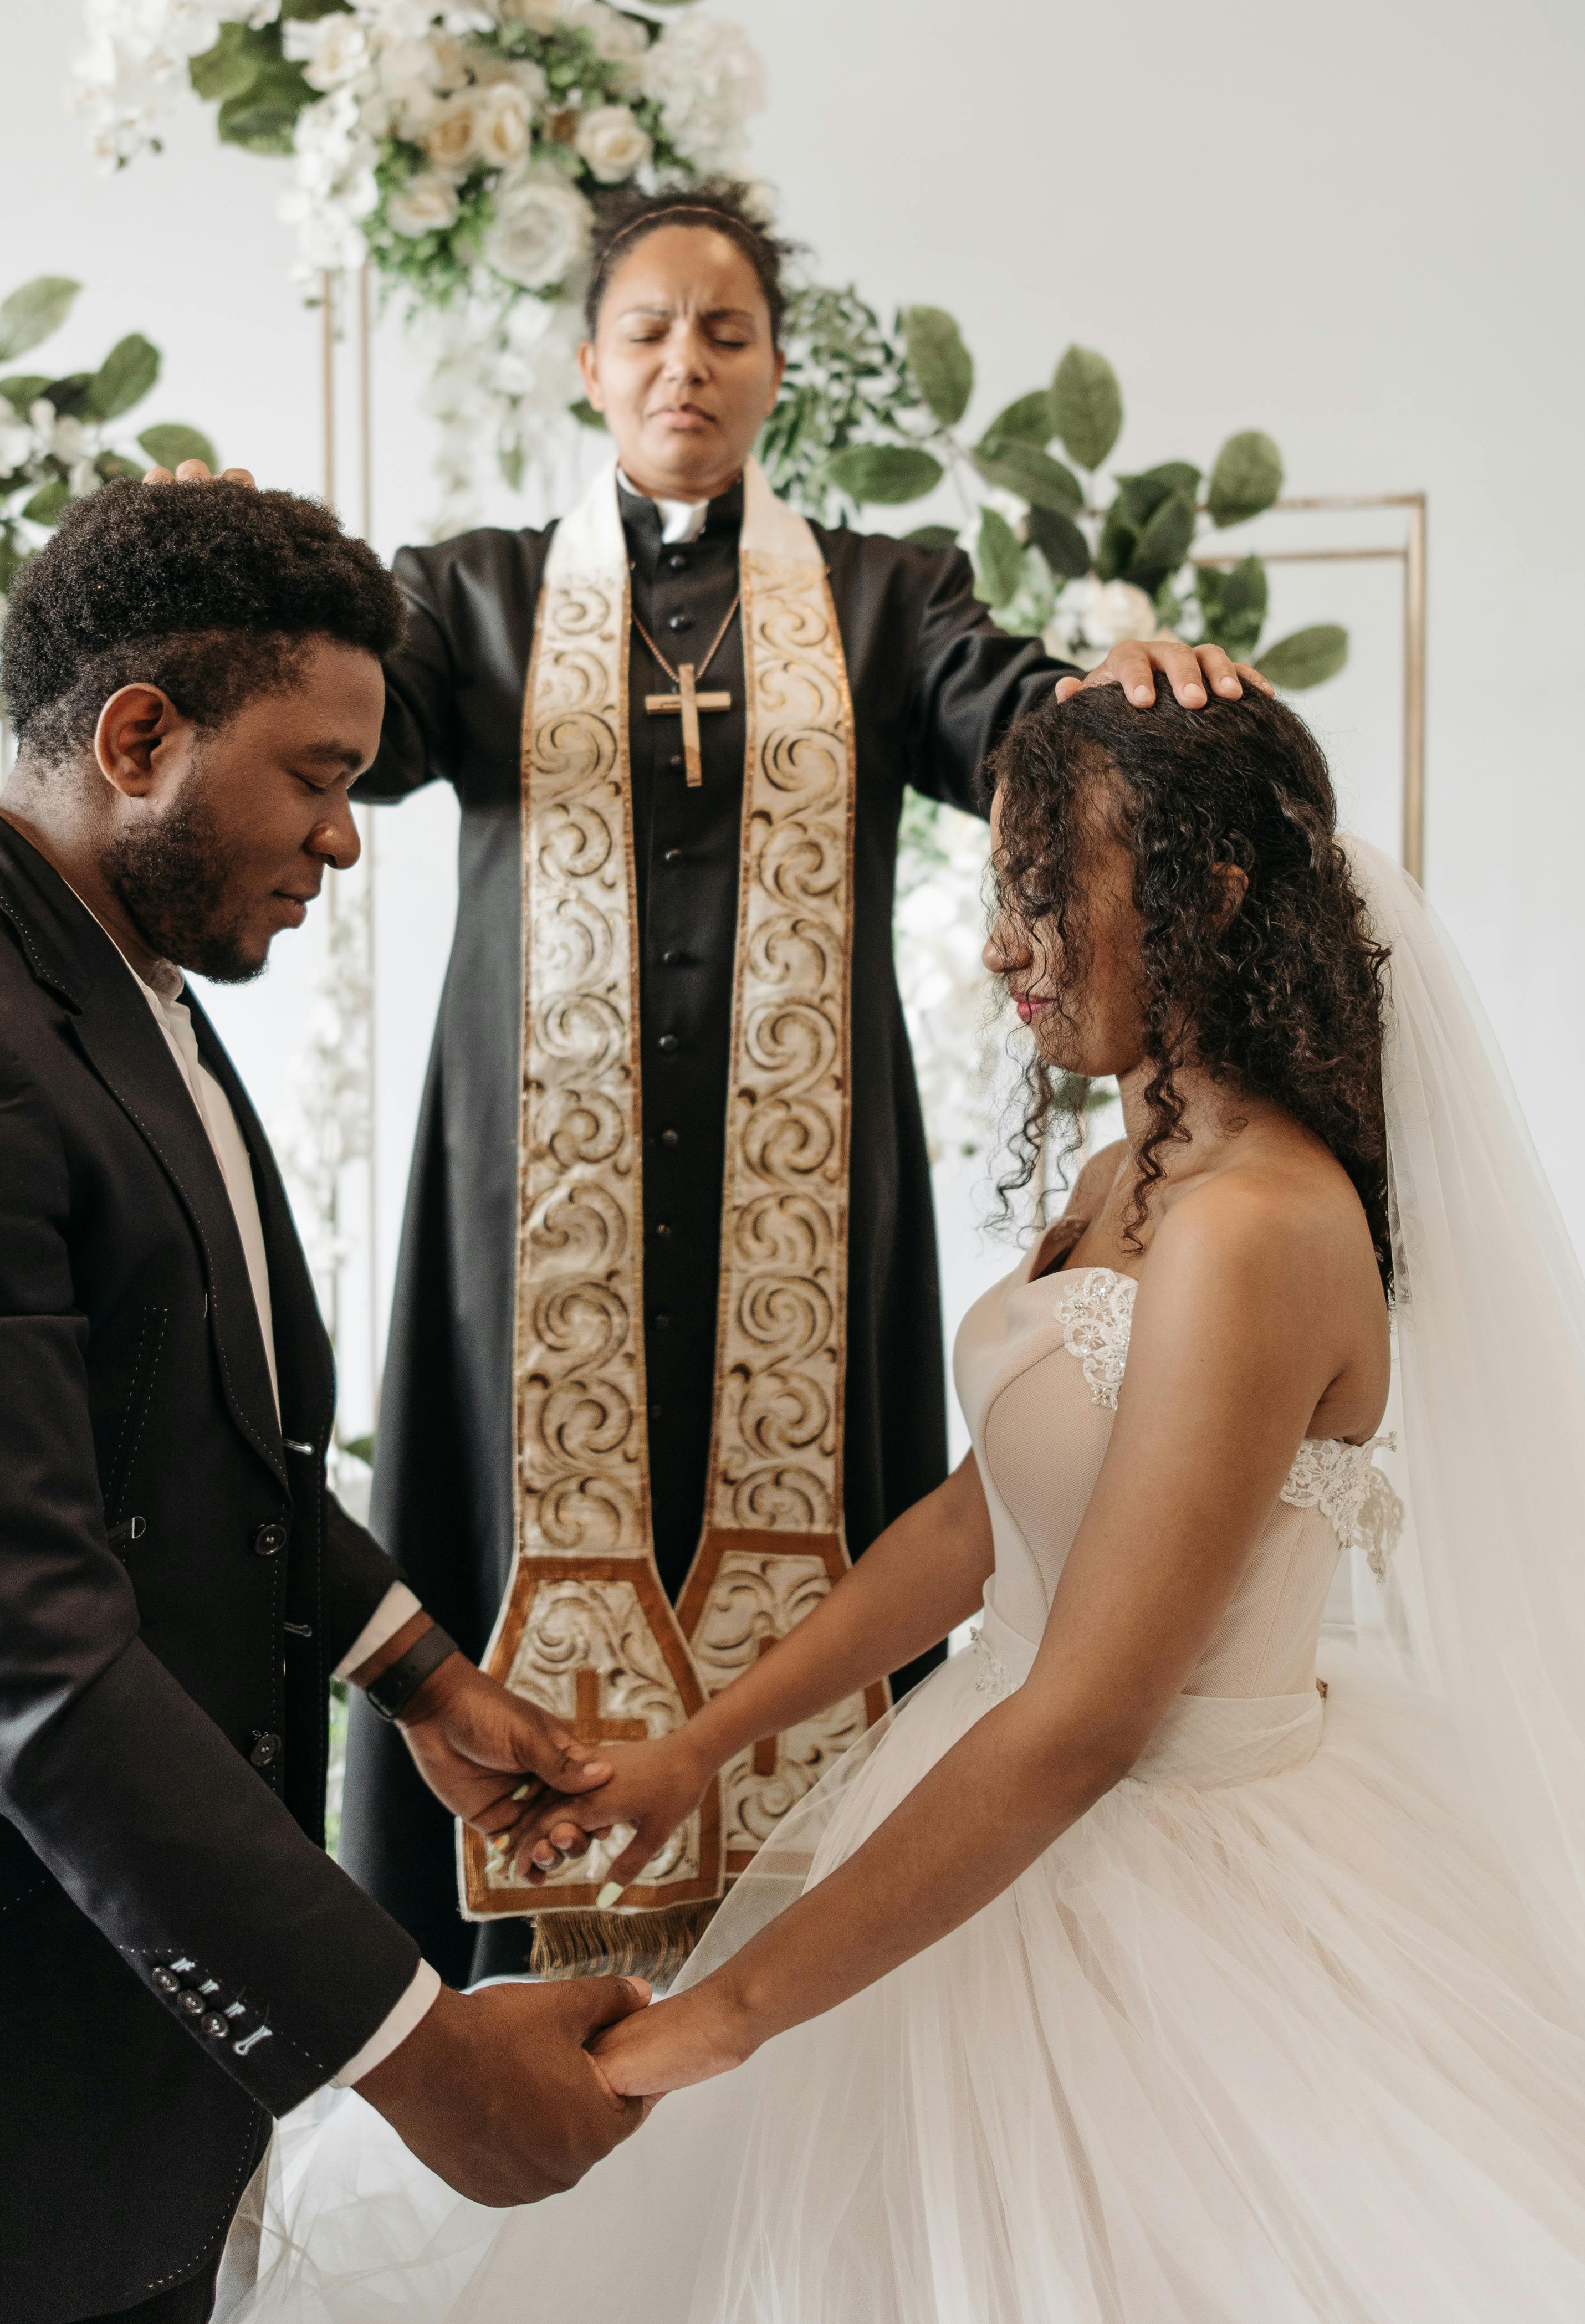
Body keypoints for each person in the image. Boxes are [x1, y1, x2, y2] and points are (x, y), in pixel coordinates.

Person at [233, 685, 1585, 2318]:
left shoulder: (1259, 1229)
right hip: (980, 1779)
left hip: (1166, 1878)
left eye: (1044, 884)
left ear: (1204, 894)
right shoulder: (1132, 1175)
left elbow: (1088, 1718)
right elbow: (975, 1526)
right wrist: (700, 1746)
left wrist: (733, 2010)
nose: (1004, 942)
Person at [0, 472, 645, 2324]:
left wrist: (419, 1673)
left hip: (125, 2016)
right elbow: (12, 1640)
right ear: (141, 736)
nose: (344, 841)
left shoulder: (113, 994)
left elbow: (200, 1437)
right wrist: (417, 2049)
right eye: (319, 774)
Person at [344, 186, 1270, 1988]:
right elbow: (347, 728)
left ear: (777, 369)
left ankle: (802, 1974)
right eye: (648, 329)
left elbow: (1014, 722)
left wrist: (1113, 693)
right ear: (587, 360)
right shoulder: (474, 594)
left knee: (820, 1502)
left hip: (809, 1191)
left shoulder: (877, 591)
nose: (684, 361)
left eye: (726, 330)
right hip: (530, 1207)